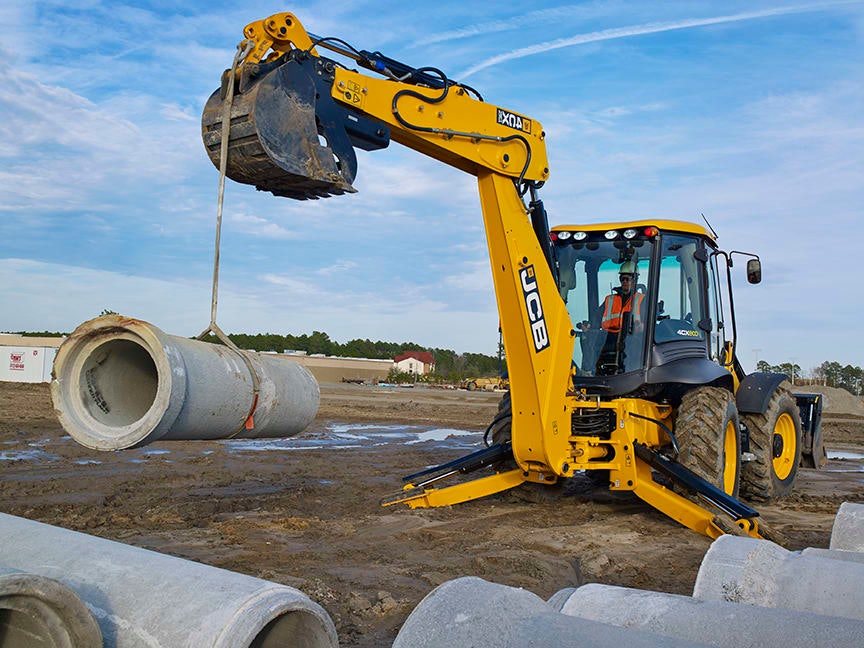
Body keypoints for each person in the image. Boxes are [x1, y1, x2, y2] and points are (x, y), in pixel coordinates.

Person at [600, 260, 644, 334]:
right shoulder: (609, 300)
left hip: (634, 340)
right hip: (609, 339)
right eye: (622, 279)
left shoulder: (642, 300)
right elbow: (596, 319)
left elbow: (647, 324)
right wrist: (589, 325)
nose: (624, 281)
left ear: (635, 280)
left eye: (628, 279)